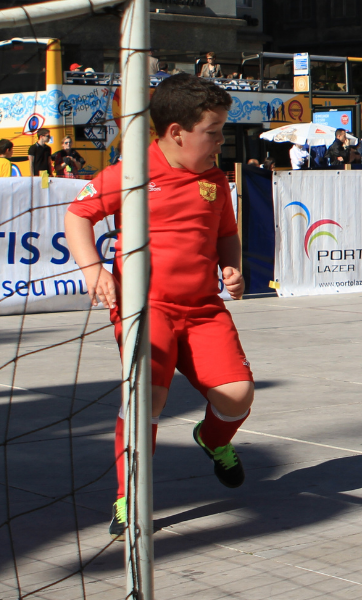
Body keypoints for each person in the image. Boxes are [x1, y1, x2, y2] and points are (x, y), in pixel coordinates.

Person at [64, 74, 254, 539]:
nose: (220, 141)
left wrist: (232, 269)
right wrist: (94, 270)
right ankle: (130, 496)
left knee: (237, 395)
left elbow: (226, 234)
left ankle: (211, 440)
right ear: (176, 133)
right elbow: (77, 215)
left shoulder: (214, 179)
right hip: (145, 309)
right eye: (213, 131)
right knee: (149, 396)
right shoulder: (133, 173)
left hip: (203, 309)